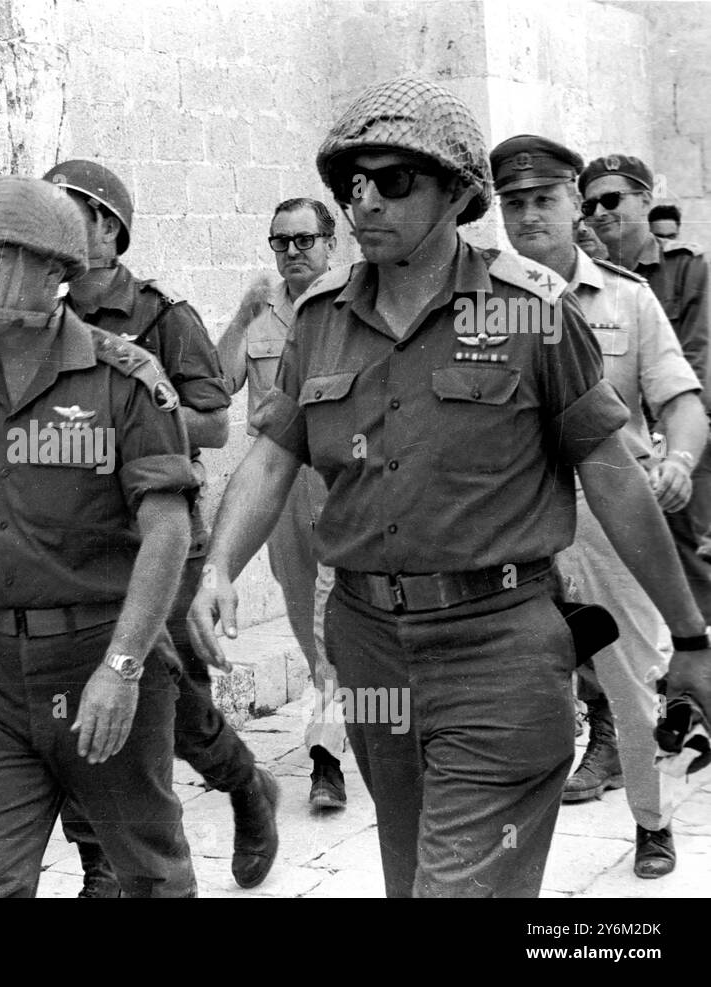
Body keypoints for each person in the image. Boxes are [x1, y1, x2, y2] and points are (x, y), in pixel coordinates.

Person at [188, 75, 711, 898]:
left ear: (457, 193)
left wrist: (690, 635)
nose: (365, 203)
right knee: (412, 874)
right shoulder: (320, 318)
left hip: (498, 646)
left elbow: (611, 476)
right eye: (352, 184)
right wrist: (218, 566)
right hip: (366, 645)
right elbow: (270, 452)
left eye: (394, 180)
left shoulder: (533, 311)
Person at [0, 174, 198, 897]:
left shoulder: (125, 379)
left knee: (148, 874)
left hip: (96, 659)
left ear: (54, 270)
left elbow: (167, 525)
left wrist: (124, 666)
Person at [40, 159, 278, 895]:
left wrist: (138, 410)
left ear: (108, 227)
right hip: (76, 550)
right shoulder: (40, 318)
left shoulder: (163, 315)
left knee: (170, 709)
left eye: (66, 214)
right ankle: (102, 870)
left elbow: (212, 421)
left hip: (159, 539)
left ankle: (245, 784)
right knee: (89, 705)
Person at [492, 134, 707, 877]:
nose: (528, 217)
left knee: (637, 682)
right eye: (512, 203)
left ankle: (653, 821)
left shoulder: (626, 297)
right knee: (513, 692)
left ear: (573, 204)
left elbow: (683, 401)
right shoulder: (477, 302)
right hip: (513, 522)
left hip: (610, 518)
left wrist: (677, 457)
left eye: (543, 200)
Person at [217, 197, 348, 809]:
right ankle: (346, 733)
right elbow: (216, 387)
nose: (292, 253)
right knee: (305, 616)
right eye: (280, 242)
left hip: (344, 481)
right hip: (282, 489)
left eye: (303, 241)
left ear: (330, 243)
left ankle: (326, 755)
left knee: (335, 620)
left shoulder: (354, 305)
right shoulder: (263, 313)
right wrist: (242, 319)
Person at [582, 155, 711, 627]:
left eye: (611, 200)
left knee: (691, 558)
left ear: (645, 199)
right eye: (589, 204)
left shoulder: (686, 267)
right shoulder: (586, 282)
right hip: (616, 448)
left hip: (682, 442)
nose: (598, 213)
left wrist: (667, 450)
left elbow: (696, 364)